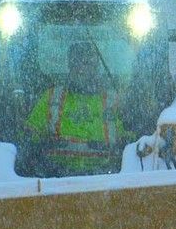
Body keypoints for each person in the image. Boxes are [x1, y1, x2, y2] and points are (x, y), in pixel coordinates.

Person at [20, 41, 134, 177]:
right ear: (69, 65)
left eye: (87, 63)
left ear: (96, 66)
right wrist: (43, 145)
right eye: (76, 62)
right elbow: (28, 138)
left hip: (105, 180)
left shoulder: (114, 101)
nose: (81, 68)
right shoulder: (52, 98)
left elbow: (132, 143)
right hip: (54, 181)